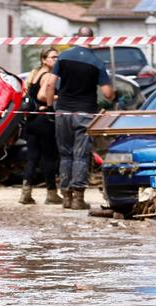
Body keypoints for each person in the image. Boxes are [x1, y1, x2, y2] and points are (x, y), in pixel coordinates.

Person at [49, 28, 115, 211]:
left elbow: (50, 83)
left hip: (62, 112)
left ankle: (66, 197)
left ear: (76, 38)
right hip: (85, 113)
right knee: (80, 155)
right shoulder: (96, 61)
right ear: (92, 40)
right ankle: (78, 198)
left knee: (65, 154)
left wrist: (49, 104)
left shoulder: (62, 57)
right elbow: (107, 93)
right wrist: (113, 94)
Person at [19, 48, 62, 205]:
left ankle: (26, 193)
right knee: (49, 157)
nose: (56, 60)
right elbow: (42, 96)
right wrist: (59, 96)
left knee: (32, 158)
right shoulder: (48, 75)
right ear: (44, 60)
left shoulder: (34, 74)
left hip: (31, 120)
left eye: (57, 57)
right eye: (53, 57)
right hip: (44, 120)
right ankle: (51, 193)